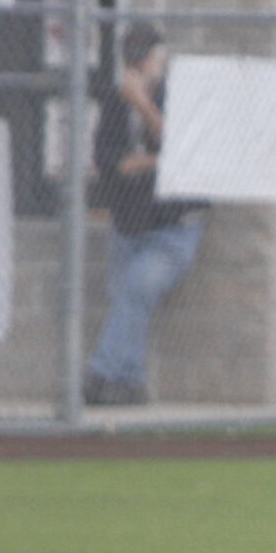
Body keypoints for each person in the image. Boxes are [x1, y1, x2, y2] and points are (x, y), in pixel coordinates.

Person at [83, 22, 206, 406]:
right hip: (129, 224)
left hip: (172, 229)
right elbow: (108, 162)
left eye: (155, 59)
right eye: (150, 61)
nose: (155, 67)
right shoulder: (114, 103)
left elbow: (185, 155)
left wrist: (145, 108)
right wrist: (152, 161)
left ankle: (99, 373)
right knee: (129, 300)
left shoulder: (178, 97)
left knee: (136, 288)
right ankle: (129, 385)